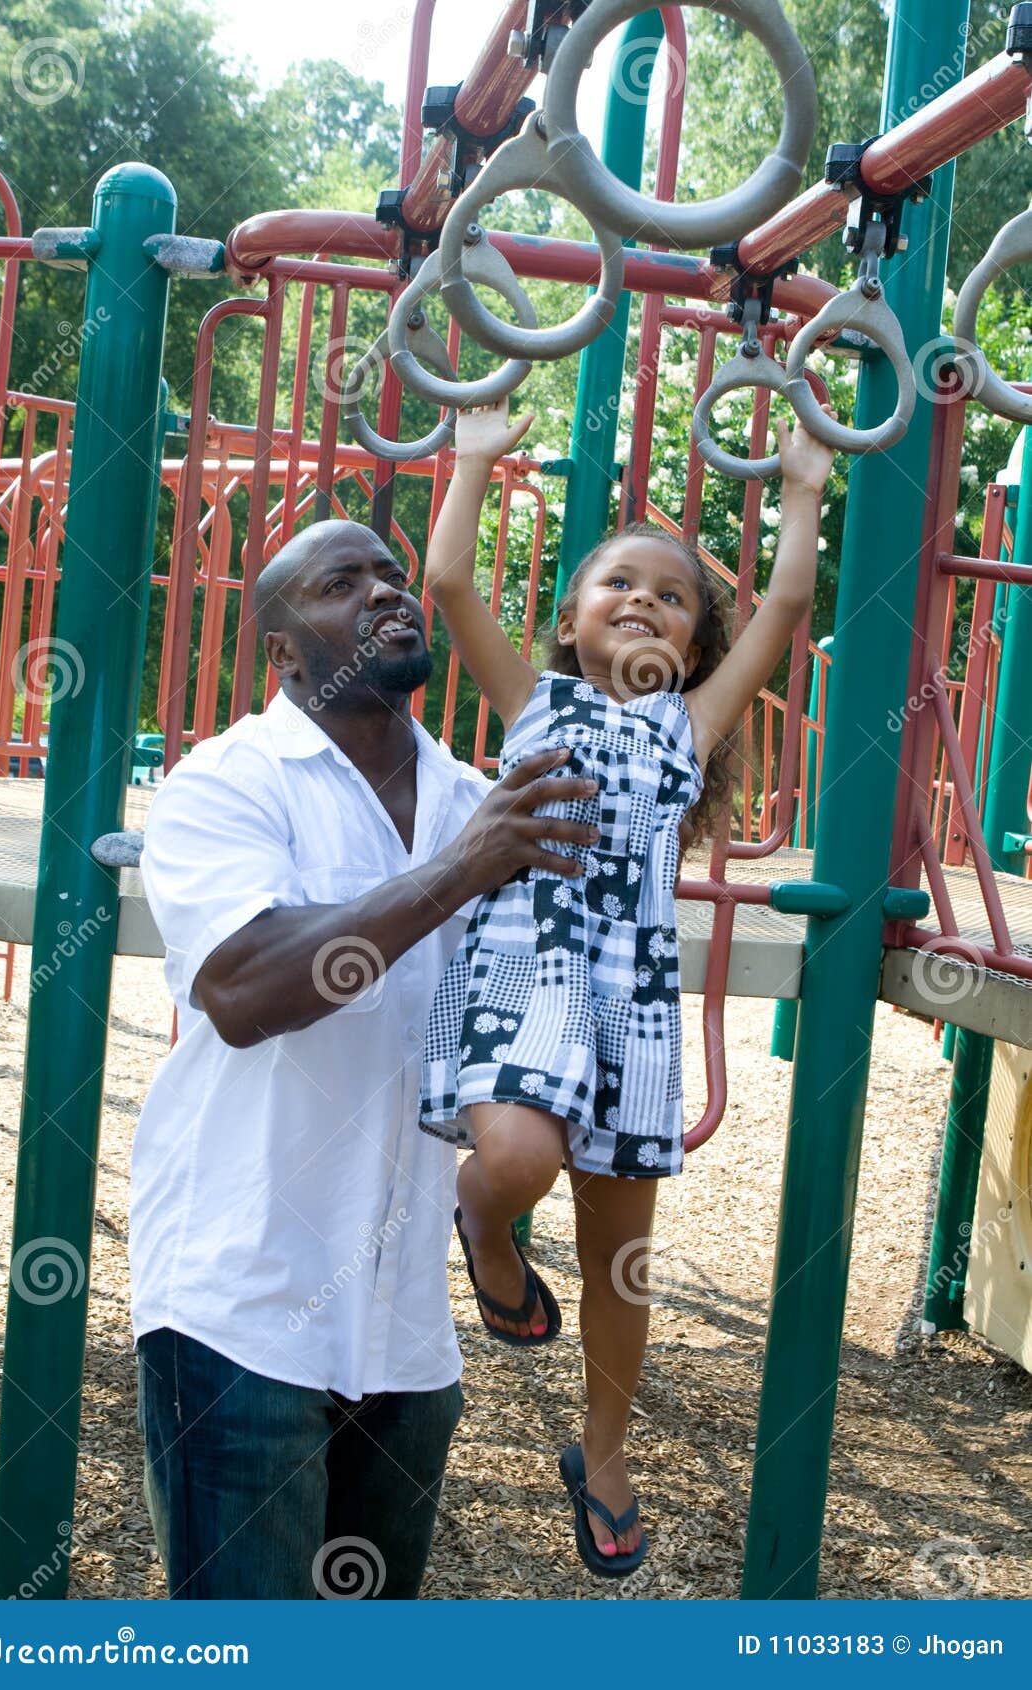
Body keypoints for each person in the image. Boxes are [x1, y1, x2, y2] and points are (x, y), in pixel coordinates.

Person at [129, 518, 600, 1600]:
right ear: (286, 652)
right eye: (342, 583)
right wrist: (460, 870)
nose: (388, 592)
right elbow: (246, 990)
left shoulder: (474, 798)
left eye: (393, 573)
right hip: (237, 1308)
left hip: (401, 1333)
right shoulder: (225, 783)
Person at [419, 400, 835, 1577]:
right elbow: (449, 578)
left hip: (628, 1000)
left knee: (619, 1256)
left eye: (671, 596)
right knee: (514, 1159)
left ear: (694, 649)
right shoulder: (532, 702)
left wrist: (801, 488)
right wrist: (473, 456)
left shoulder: (685, 729)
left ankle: (602, 1454)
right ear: (569, 617)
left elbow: (788, 610)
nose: (646, 601)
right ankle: (483, 1225)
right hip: (522, 968)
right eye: (620, 584)